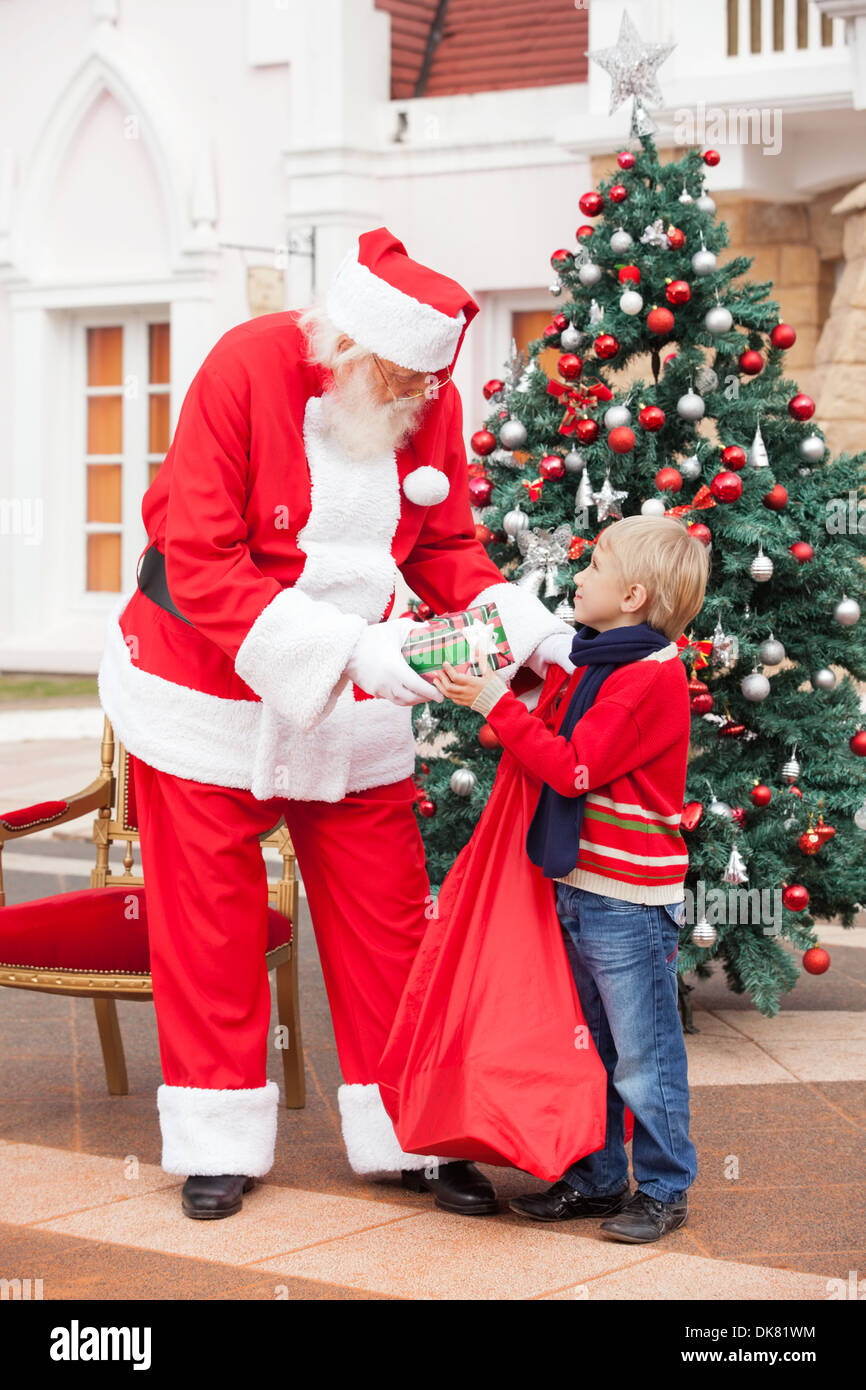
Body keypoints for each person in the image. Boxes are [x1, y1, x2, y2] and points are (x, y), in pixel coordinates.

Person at [96, 226, 575, 1218]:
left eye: (426, 387)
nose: (415, 403)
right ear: (351, 347)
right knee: (209, 924)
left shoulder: (421, 395)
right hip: (206, 684)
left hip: (362, 688)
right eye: (399, 381)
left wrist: (524, 632)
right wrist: (354, 654)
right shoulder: (245, 366)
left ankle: (414, 1131)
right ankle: (216, 1138)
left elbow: (444, 542)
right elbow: (198, 552)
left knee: (390, 919)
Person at [432, 514, 710, 1243]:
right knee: (590, 1044)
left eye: (593, 568)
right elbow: (547, 733)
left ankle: (663, 1187)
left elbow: (571, 765)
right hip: (582, 885)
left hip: (627, 898)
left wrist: (496, 704)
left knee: (643, 1051)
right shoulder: (599, 661)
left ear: (633, 595)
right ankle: (593, 1179)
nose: (576, 577)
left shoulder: (647, 679)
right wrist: (505, 700)